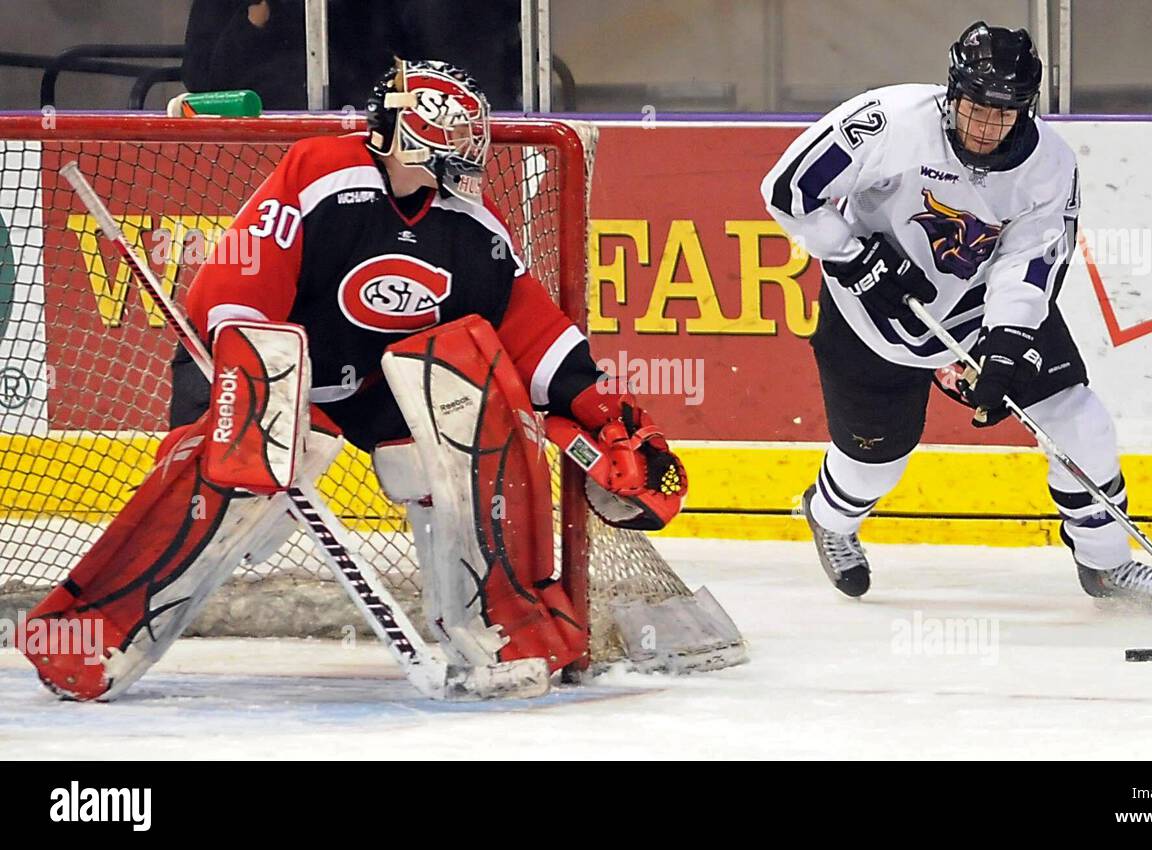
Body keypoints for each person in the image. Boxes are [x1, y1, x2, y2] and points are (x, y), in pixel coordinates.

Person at [25, 60, 685, 701]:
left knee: (464, 402)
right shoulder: (322, 175)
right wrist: (251, 398)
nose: (465, 145)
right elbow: (232, 293)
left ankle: (500, 628)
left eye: (467, 130)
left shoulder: (470, 222)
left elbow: (528, 331)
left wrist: (601, 410)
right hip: (252, 365)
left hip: (374, 389)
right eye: (449, 129)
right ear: (405, 130)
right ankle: (90, 634)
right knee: (246, 467)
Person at [761, 21, 1152, 611]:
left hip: (972, 307)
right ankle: (829, 515)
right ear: (952, 91)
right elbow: (787, 188)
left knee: (1078, 419)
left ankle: (1106, 564)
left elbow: (1032, 260)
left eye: (1004, 113)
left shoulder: (1049, 166)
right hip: (871, 318)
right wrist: (854, 256)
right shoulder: (889, 121)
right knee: (872, 468)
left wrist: (1007, 340)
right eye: (975, 108)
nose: (986, 127)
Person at [182, 1, 522, 110]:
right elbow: (201, 78)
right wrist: (256, 20)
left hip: (361, 134)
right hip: (263, 139)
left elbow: (394, 56)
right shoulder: (232, 10)